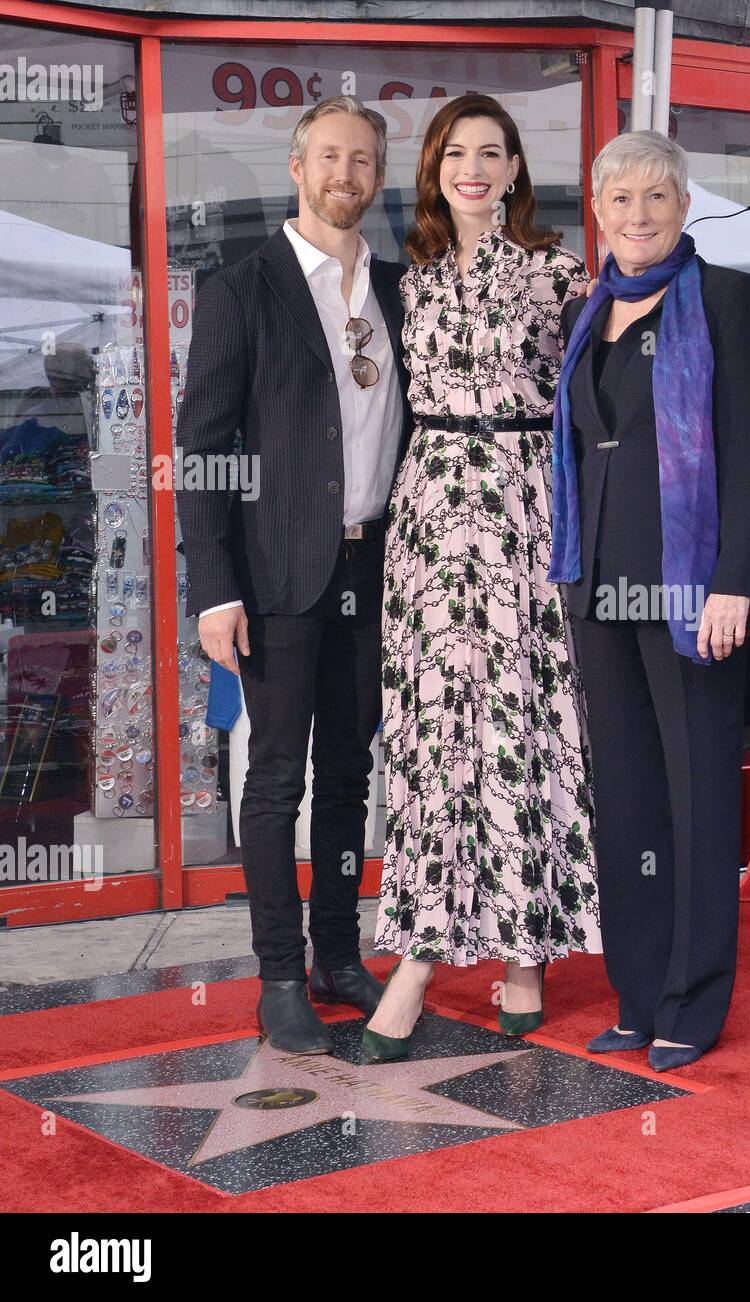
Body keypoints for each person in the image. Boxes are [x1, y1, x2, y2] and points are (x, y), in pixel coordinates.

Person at [362, 95, 599, 1062]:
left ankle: (526, 947)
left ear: (513, 170)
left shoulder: (558, 272)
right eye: (455, 152)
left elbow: (625, 362)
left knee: (523, 727)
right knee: (429, 731)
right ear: (434, 167)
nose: (472, 168)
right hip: (426, 519)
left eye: (489, 153)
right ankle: (419, 950)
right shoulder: (404, 281)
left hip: (519, 514)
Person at [176, 96, 411, 1052]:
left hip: (377, 565)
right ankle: (279, 974)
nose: (344, 174)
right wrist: (214, 591)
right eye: (328, 157)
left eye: (361, 160)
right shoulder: (243, 288)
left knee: (353, 776)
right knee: (274, 780)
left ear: (377, 177)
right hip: (275, 578)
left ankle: (338, 954)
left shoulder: (402, 289)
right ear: (296, 166)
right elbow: (203, 451)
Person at [551, 130, 750, 1073]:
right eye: (619, 201)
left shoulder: (729, 301)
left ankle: (693, 998)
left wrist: (733, 580)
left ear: (684, 207)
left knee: (695, 799)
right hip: (599, 589)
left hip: (694, 593)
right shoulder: (587, 311)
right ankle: (638, 995)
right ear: (597, 213)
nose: (637, 216)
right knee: (630, 802)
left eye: (655, 197)